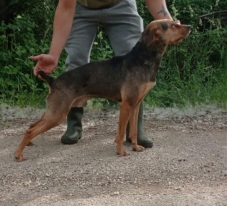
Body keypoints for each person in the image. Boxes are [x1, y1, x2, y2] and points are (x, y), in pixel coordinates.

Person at [30, 0, 176, 148]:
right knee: (76, 60)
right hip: (82, 8)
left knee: (133, 58)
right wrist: (53, 55)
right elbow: (66, 9)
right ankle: (74, 123)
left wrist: (171, 25)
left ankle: (133, 130)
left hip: (122, 4)